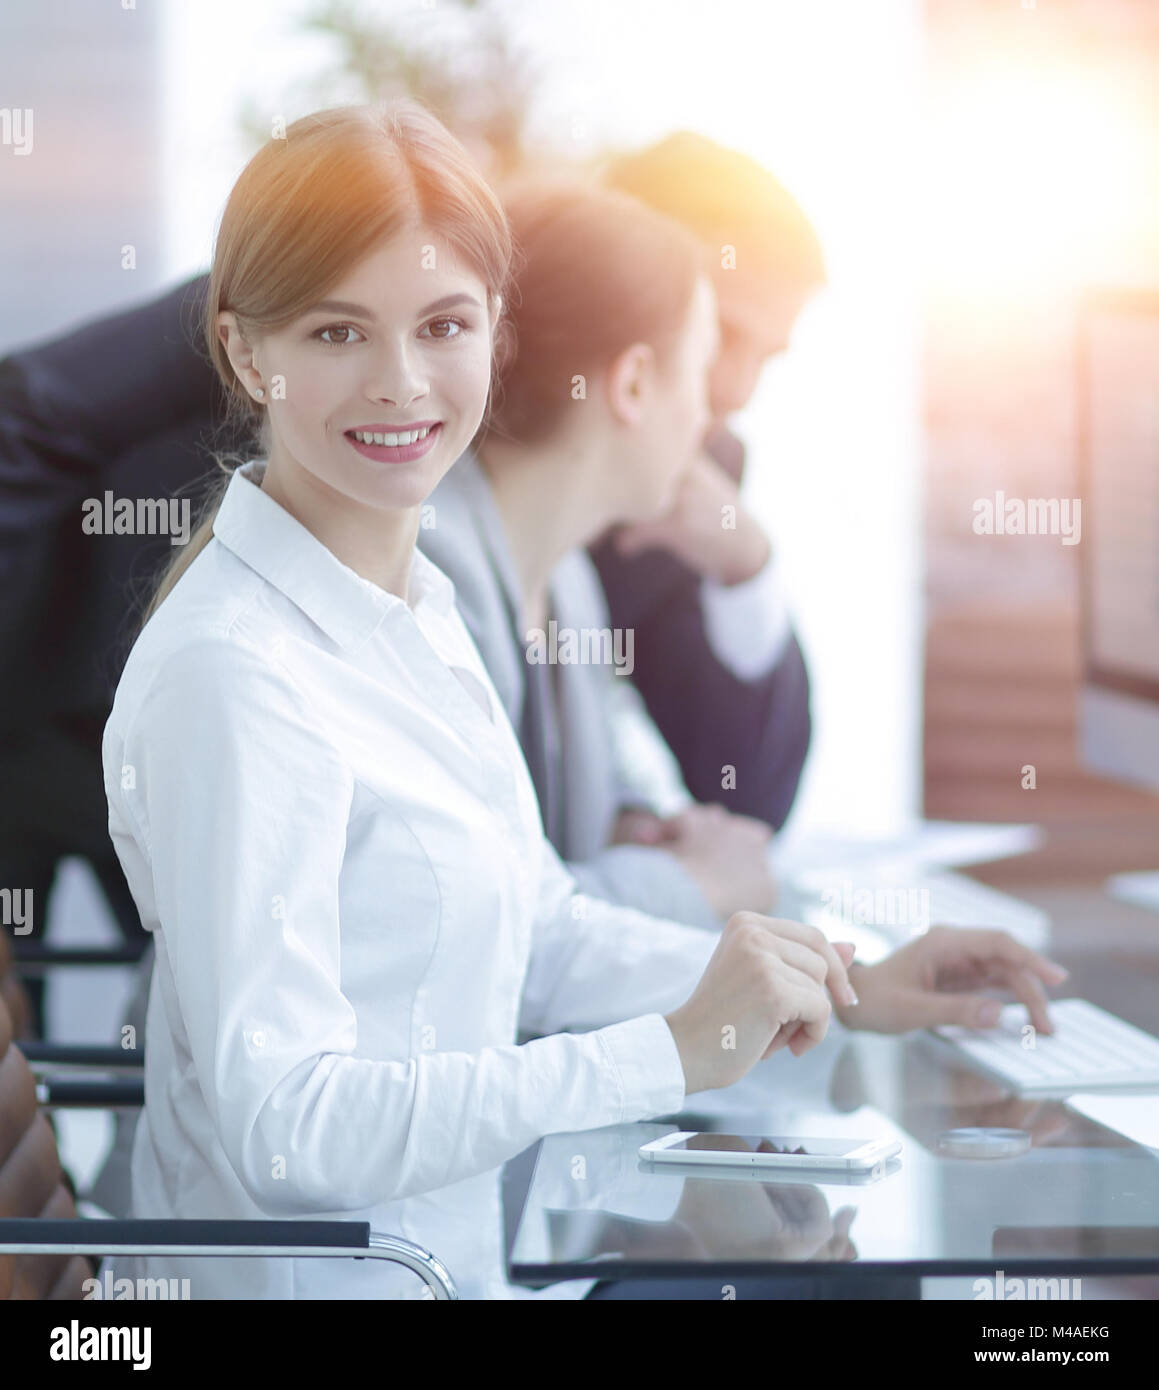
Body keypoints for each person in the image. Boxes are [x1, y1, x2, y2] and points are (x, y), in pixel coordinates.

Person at [95, 99, 1068, 1303]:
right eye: (338, 332)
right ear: (249, 355)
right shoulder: (234, 674)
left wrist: (833, 982)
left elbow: (537, 933)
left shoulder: (418, 608)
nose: (400, 383)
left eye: (442, 324)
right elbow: (289, 1127)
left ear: (495, 332)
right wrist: (661, 1056)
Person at [589, 132, 828, 834]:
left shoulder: (695, 479)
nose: (737, 390)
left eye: (767, 356)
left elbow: (746, 801)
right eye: (724, 333)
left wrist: (745, 572)